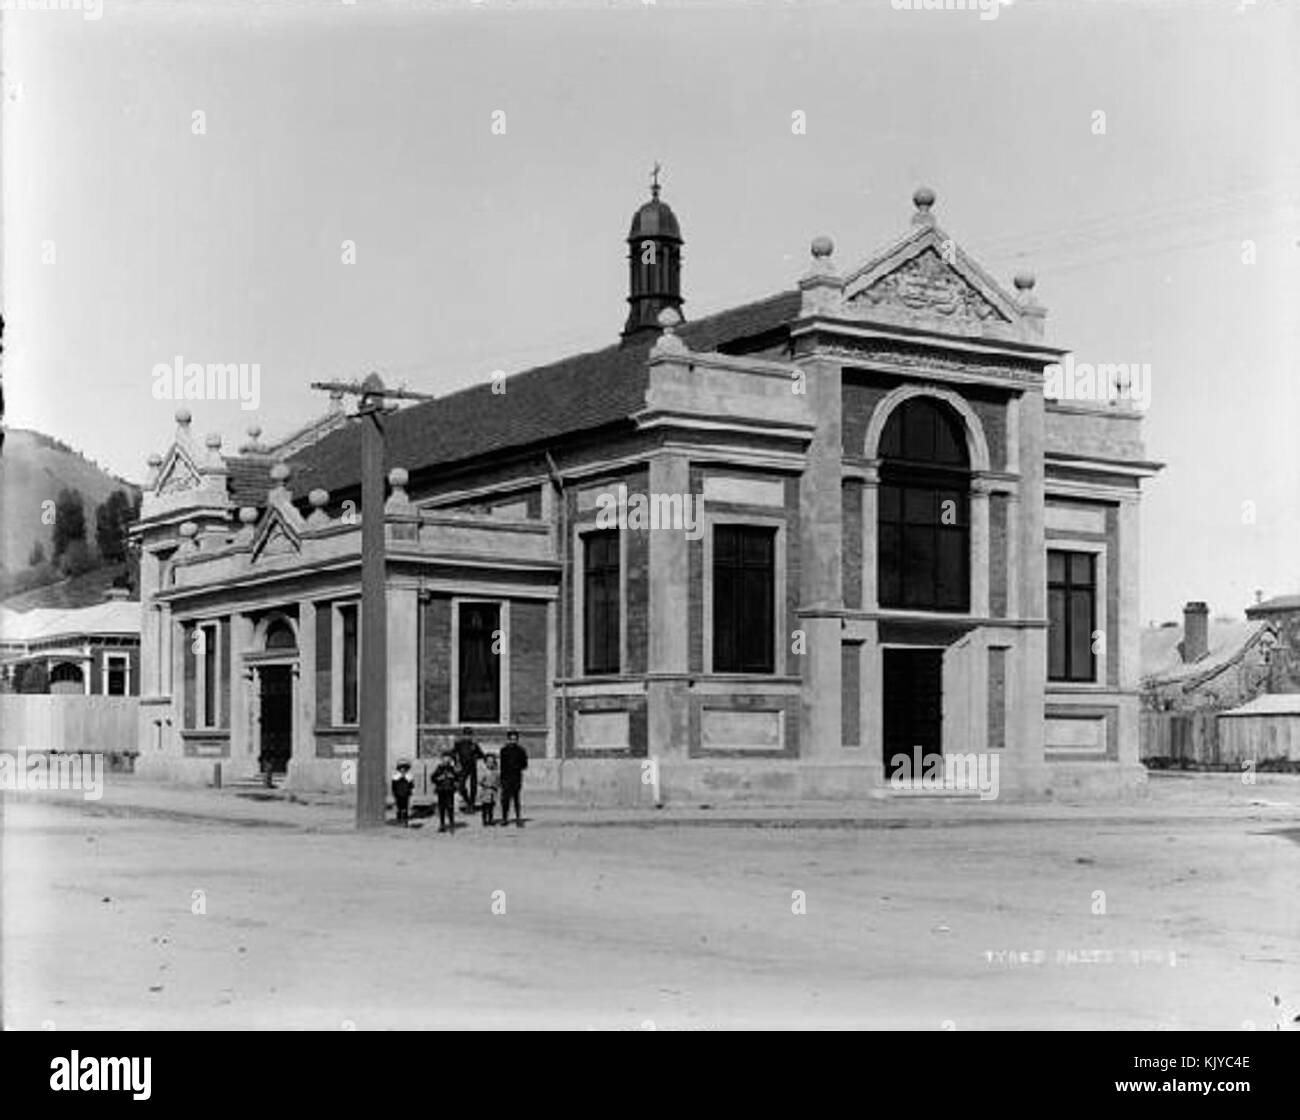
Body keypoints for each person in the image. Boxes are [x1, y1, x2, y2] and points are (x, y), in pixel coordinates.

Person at [498, 729, 528, 827]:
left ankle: (518, 818)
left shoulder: (521, 750)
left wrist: (517, 767)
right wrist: (501, 779)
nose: (513, 741)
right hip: (506, 777)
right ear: (508, 739)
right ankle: (504, 818)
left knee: (516, 799)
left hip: (516, 777)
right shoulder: (504, 750)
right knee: (505, 799)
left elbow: (525, 765)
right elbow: (502, 766)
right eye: (511, 739)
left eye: (515, 739)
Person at [452, 725, 484, 813]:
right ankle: (467, 801)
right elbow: (453, 754)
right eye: (466, 735)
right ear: (463, 735)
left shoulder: (474, 744)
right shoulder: (459, 743)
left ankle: (471, 804)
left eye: (469, 735)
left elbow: (481, 755)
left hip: (472, 766)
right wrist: (456, 763)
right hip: (463, 766)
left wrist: (476, 753)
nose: (467, 737)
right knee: (461, 786)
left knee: (473, 786)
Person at [431, 750, 459, 834]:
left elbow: (457, 778)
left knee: (450, 807)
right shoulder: (439, 768)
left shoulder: (452, 768)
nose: (446, 760)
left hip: (450, 790)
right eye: (445, 758)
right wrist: (440, 778)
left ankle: (451, 824)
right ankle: (442, 824)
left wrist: (453, 778)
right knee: (442, 807)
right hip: (441, 789)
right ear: (442, 759)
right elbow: (433, 778)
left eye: (448, 758)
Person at [477, 753, 500, 826]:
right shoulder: (484, 772)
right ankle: (484, 820)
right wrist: (486, 785)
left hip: (493, 792)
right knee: (484, 807)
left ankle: (490, 820)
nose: (490, 764)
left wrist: (496, 785)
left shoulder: (496, 772)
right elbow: (480, 781)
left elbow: (498, 781)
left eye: (492, 762)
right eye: (488, 762)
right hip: (485, 792)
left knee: (491, 807)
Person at [390, 760, 414, 827]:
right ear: (399, 769)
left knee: (405, 808)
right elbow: (393, 787)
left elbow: (411, 786)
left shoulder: (409, 777)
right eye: (401, 768)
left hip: (406, 795)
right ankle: (399, 821)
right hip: (398, 794)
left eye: (404, 768)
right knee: (399, 808)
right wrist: (394, 794)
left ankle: (405, 822)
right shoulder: (395, 777)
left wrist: (410, 793)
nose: (403, 769)